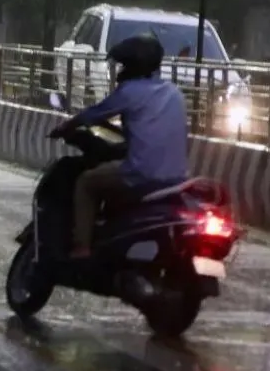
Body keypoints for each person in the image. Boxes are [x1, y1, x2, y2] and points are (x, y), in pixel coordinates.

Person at [49, 33, 188, 259]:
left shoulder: (130, 91)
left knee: (85, 183)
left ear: (132, 66)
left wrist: (65, 128)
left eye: (123, 65)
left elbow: (91, 115)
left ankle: (82, 247)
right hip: (177, 178)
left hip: (141, 174)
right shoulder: (174, 92)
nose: (121, 70)